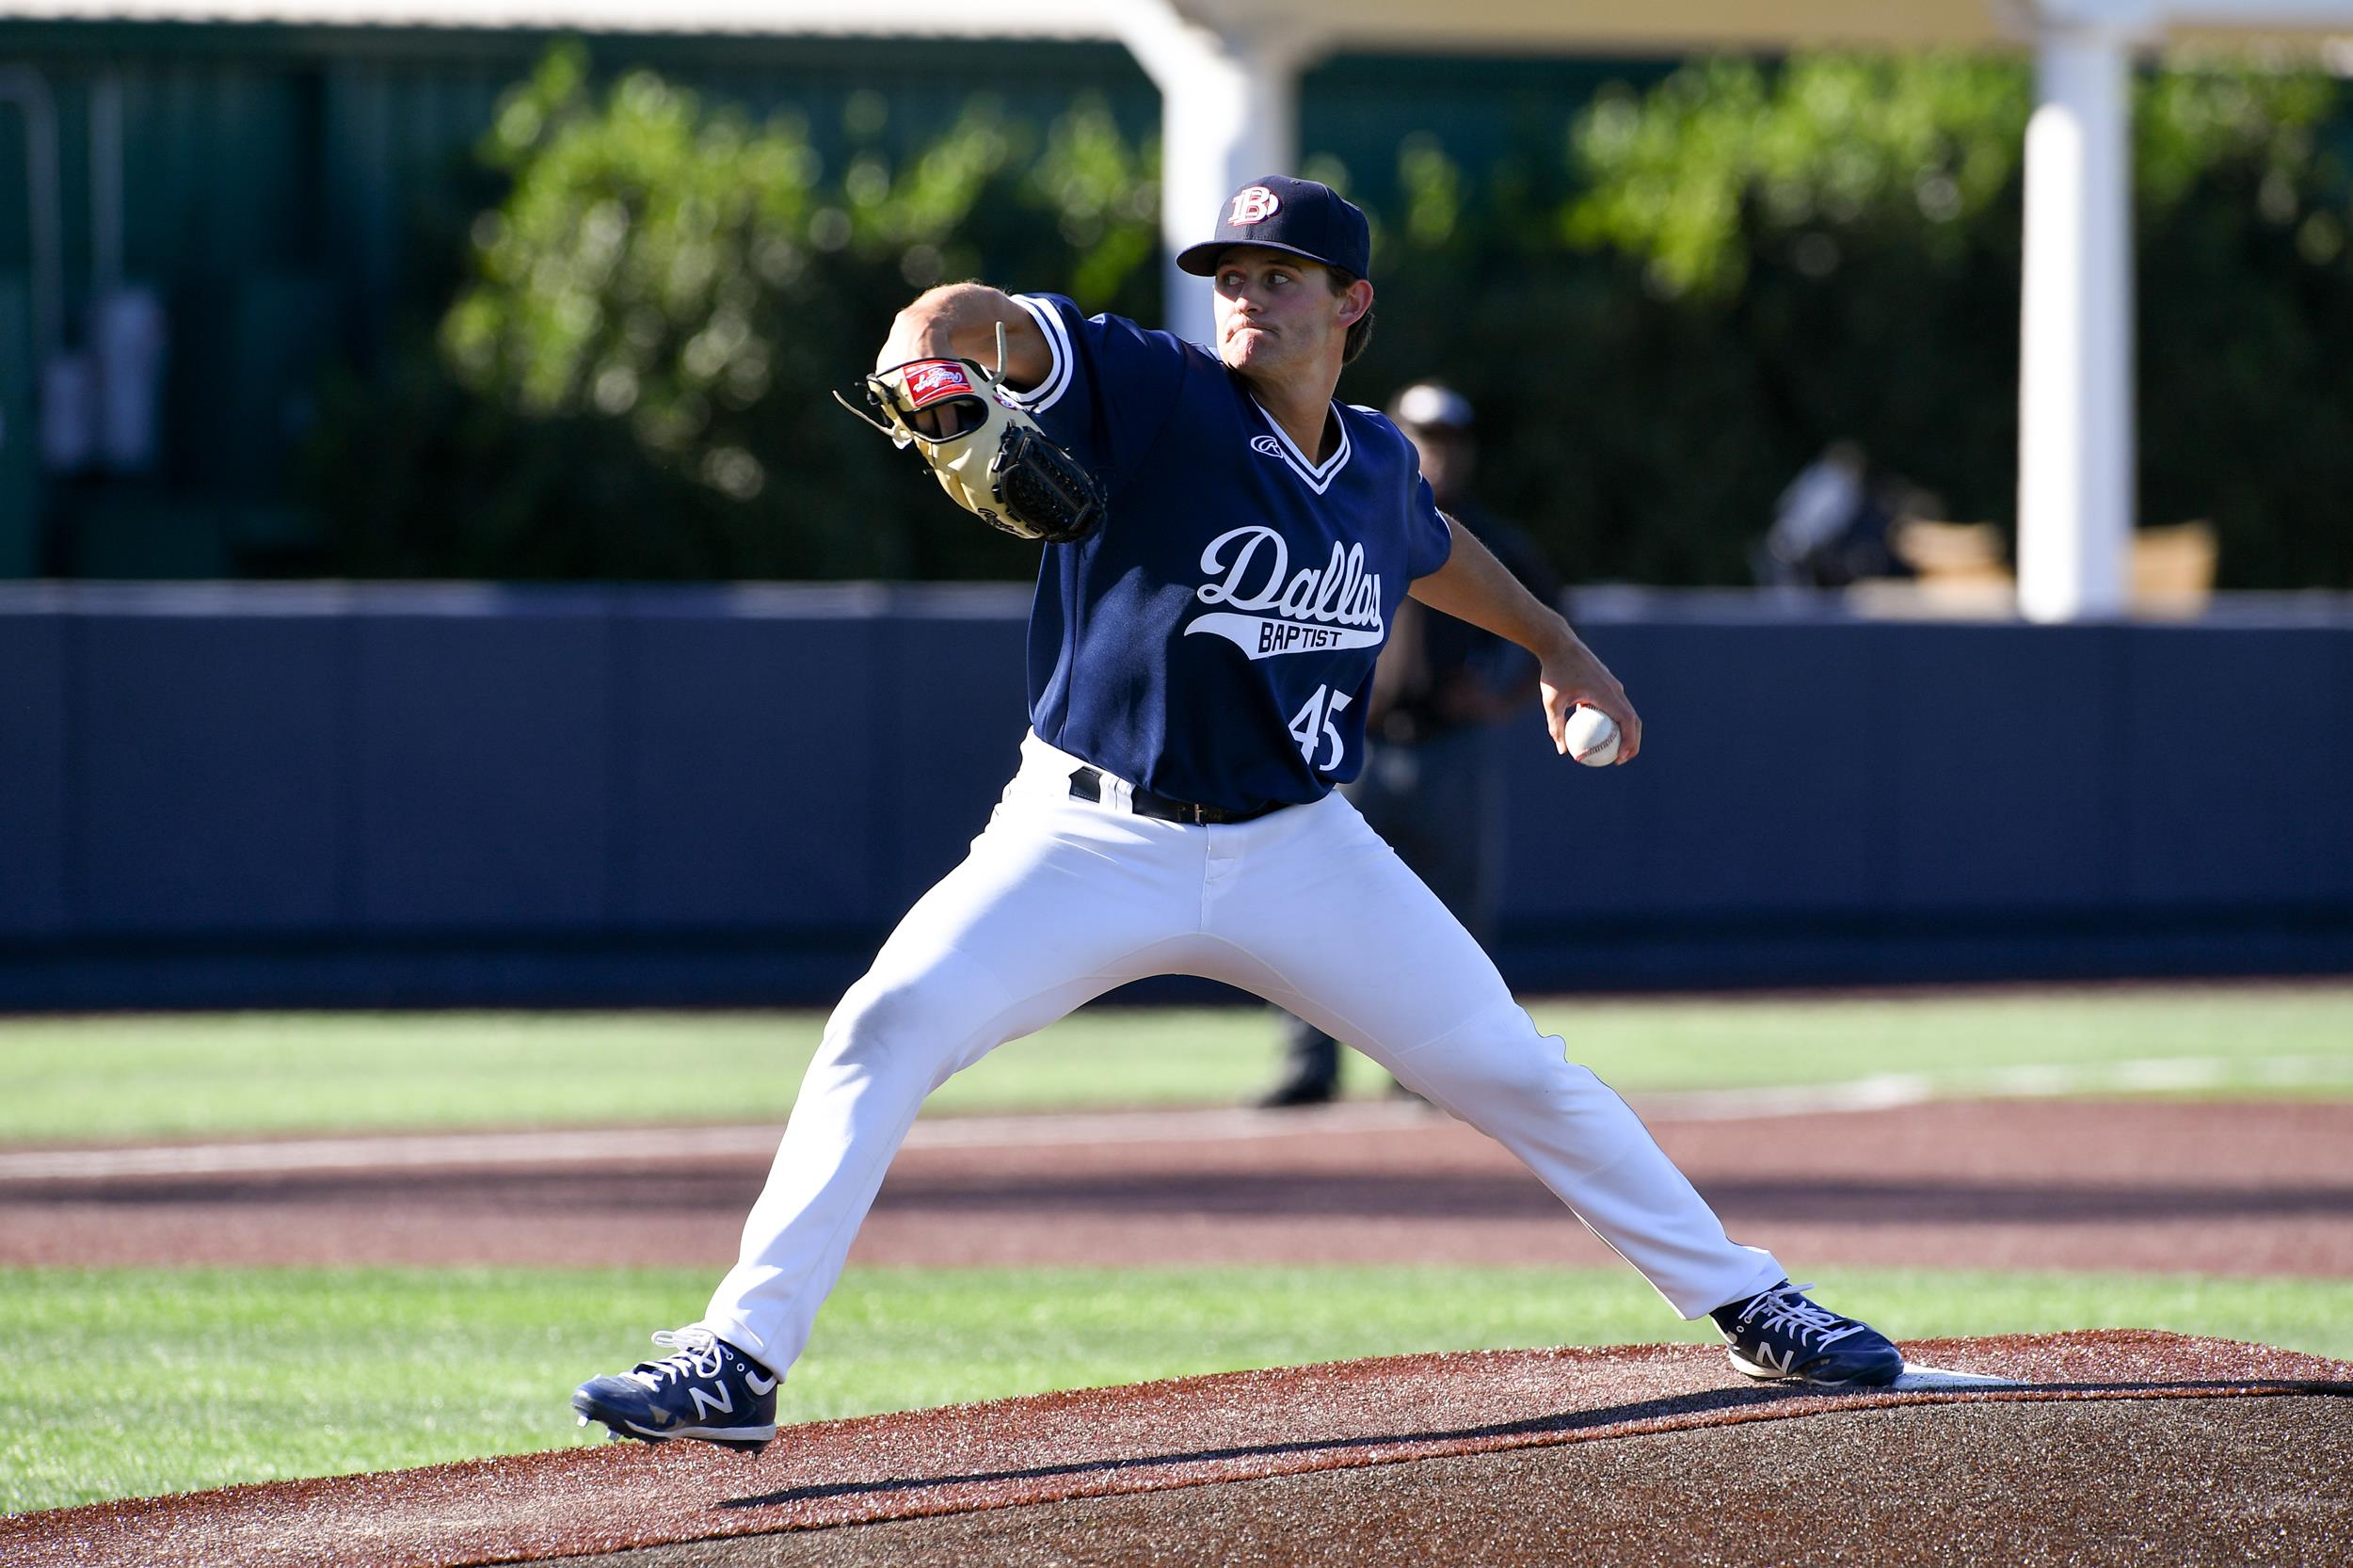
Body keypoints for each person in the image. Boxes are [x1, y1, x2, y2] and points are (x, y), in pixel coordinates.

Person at [571, 175, 1904, 1455]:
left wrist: (1559, 646)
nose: (1247, 295)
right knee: (886, 1021)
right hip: (1087, 830)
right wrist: (931, 365)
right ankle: (738, 1358)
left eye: (1282, 276)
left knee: (1513, 1067)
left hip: (1297, 847)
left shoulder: (1377, 460)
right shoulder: (1152, 391)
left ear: (1352, 304)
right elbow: (967, 320)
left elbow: (1432, 546)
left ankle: (1752, 1299)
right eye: (1232, 274)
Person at [1259, 381, 1561, 1107]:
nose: (1437, 452)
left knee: (1452, 922)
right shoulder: (1342, 515)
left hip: (1450, 748)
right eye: (1423, 435)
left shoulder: (1489, 540)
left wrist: (1501, 698)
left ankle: (1433, 1072)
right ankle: (1310, 1066)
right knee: (1317, 911)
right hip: (1350, 748)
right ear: (1395, 438)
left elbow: (1556, 630)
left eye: (1449, 440)